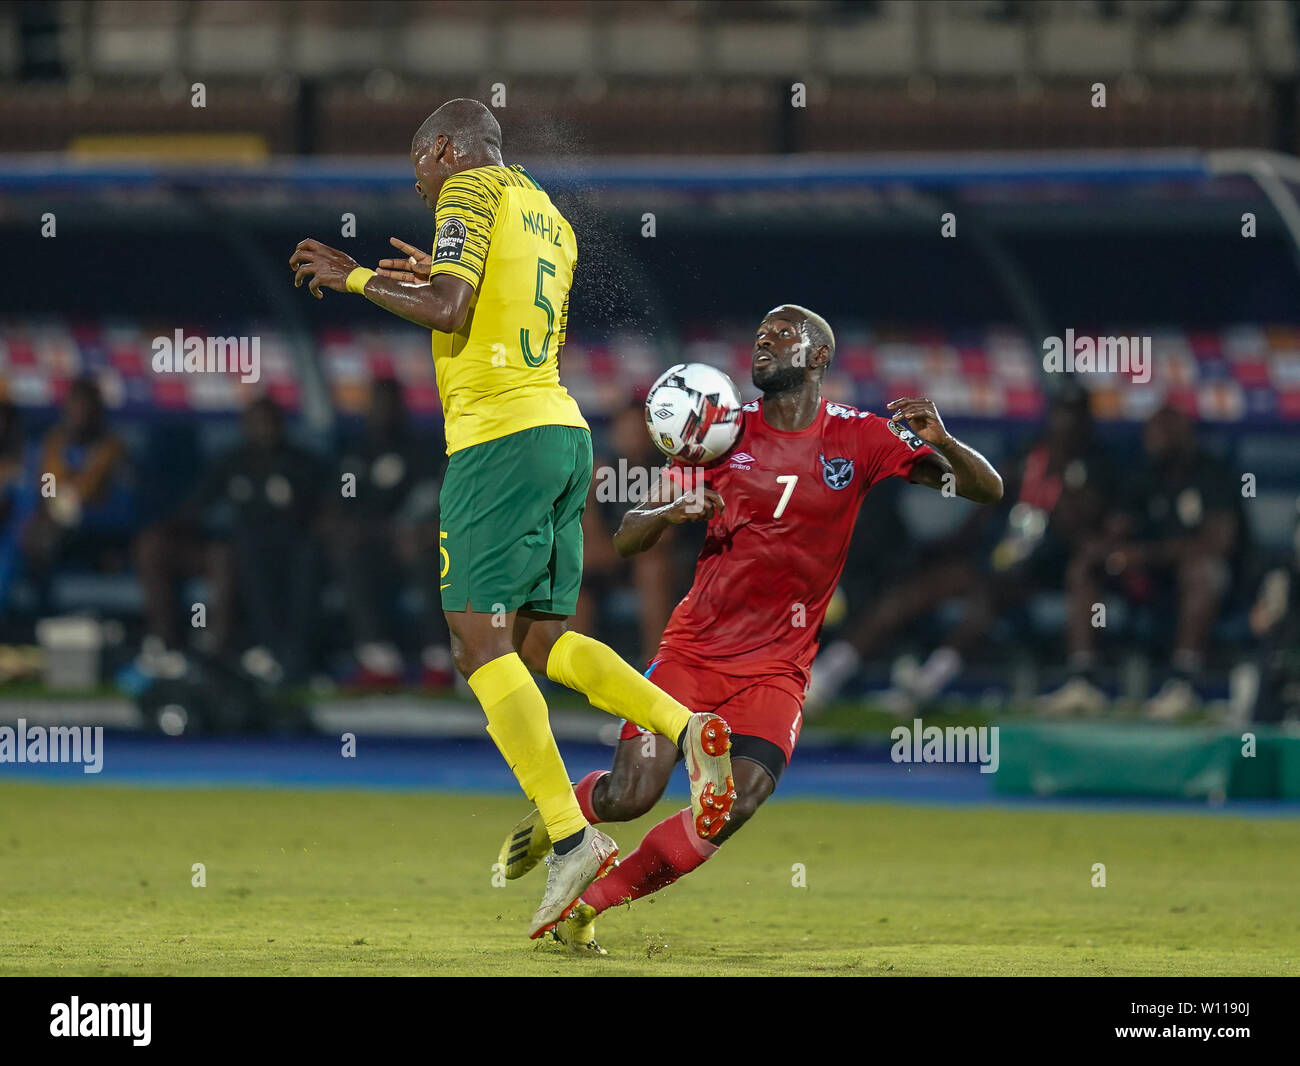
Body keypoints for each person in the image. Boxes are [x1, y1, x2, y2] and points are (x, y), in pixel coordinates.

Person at [288, 97, 735, 940]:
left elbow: (453, 312)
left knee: (474, 642)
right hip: (563, 436)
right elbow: (495, 305)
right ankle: (686, 725)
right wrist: (432, 275)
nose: (420, 185)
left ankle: (570, 838)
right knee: (534, 641)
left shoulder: (468, 190)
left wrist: (355, 276)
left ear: (447, 148)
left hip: (498, 441)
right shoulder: (547, 212)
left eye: (420, 164)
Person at [499, 304, 1003, 953]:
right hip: (696, 652)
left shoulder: (862, 437)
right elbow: (627, 537)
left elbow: (986, 489)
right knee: (632, 793)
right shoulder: (722, 432)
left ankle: (587, 906)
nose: (765, 341)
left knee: (734, 804)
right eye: (761, 334)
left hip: (778, 670)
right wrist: (671, 509)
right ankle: (562, 816)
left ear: (819, 357)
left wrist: (945, 440)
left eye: (784, 334)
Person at [808, 386, 1113, 712]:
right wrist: (948, 547)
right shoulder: (1031, 456)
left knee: (988, 597)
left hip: (1049, 569)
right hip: (999, 559)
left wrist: (1062, 487)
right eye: (1059, 414)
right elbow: (985, 509)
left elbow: (1087, 530)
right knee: (919, 587)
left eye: (1072, 416)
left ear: (1085, 422)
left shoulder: (1096, 466)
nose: (1063, 423)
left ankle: (925, 685)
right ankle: (828, 676)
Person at [1041, 405, 1243, 719]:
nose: (1152, 439)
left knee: (1203, 572)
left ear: (1183, 435)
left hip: (1213, 585)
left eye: (1161, 432)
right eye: (1150, 432)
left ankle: (1182, 685)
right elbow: (1118, 526)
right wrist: (1105, 548)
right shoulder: (1145, 474)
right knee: (1086, 567)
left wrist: (1147, 554)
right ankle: (1084, 681)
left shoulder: (1212, 472)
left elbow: (1219, 544)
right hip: (1152, 578)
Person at [325, 378, 452, 689]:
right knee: (351, 556)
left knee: (434, 556)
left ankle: (439, 662)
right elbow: (338, 509)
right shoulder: (356, 455)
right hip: (376, 548)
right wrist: (346, 528)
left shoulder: (425, 452)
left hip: (420, 546)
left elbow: (446, 507)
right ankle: (379, 662)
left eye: (390, 404)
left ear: (402, 409)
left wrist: (422, 534)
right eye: (376, 404)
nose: (383, 412)